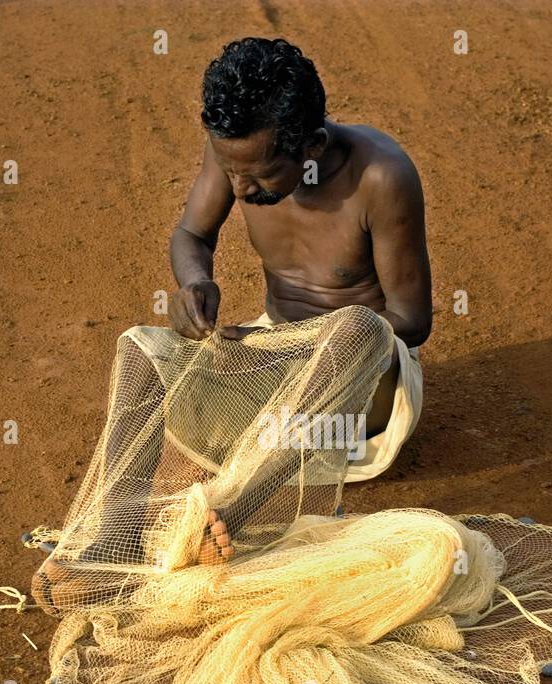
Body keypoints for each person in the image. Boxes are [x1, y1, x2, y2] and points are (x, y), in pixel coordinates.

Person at [33, 37, 432, 612]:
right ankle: (114, 531)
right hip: (275, 364)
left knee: (358, 331)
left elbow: (409, 323)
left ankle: (228, 517)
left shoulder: (381, 176)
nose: (241, 190)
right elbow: (191, 236)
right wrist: (194, 284)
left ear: (312, 146)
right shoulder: (238, 153)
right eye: (230, 171)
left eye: (261, 177)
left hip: (362, 394)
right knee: (144, 347)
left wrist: (295, 351)